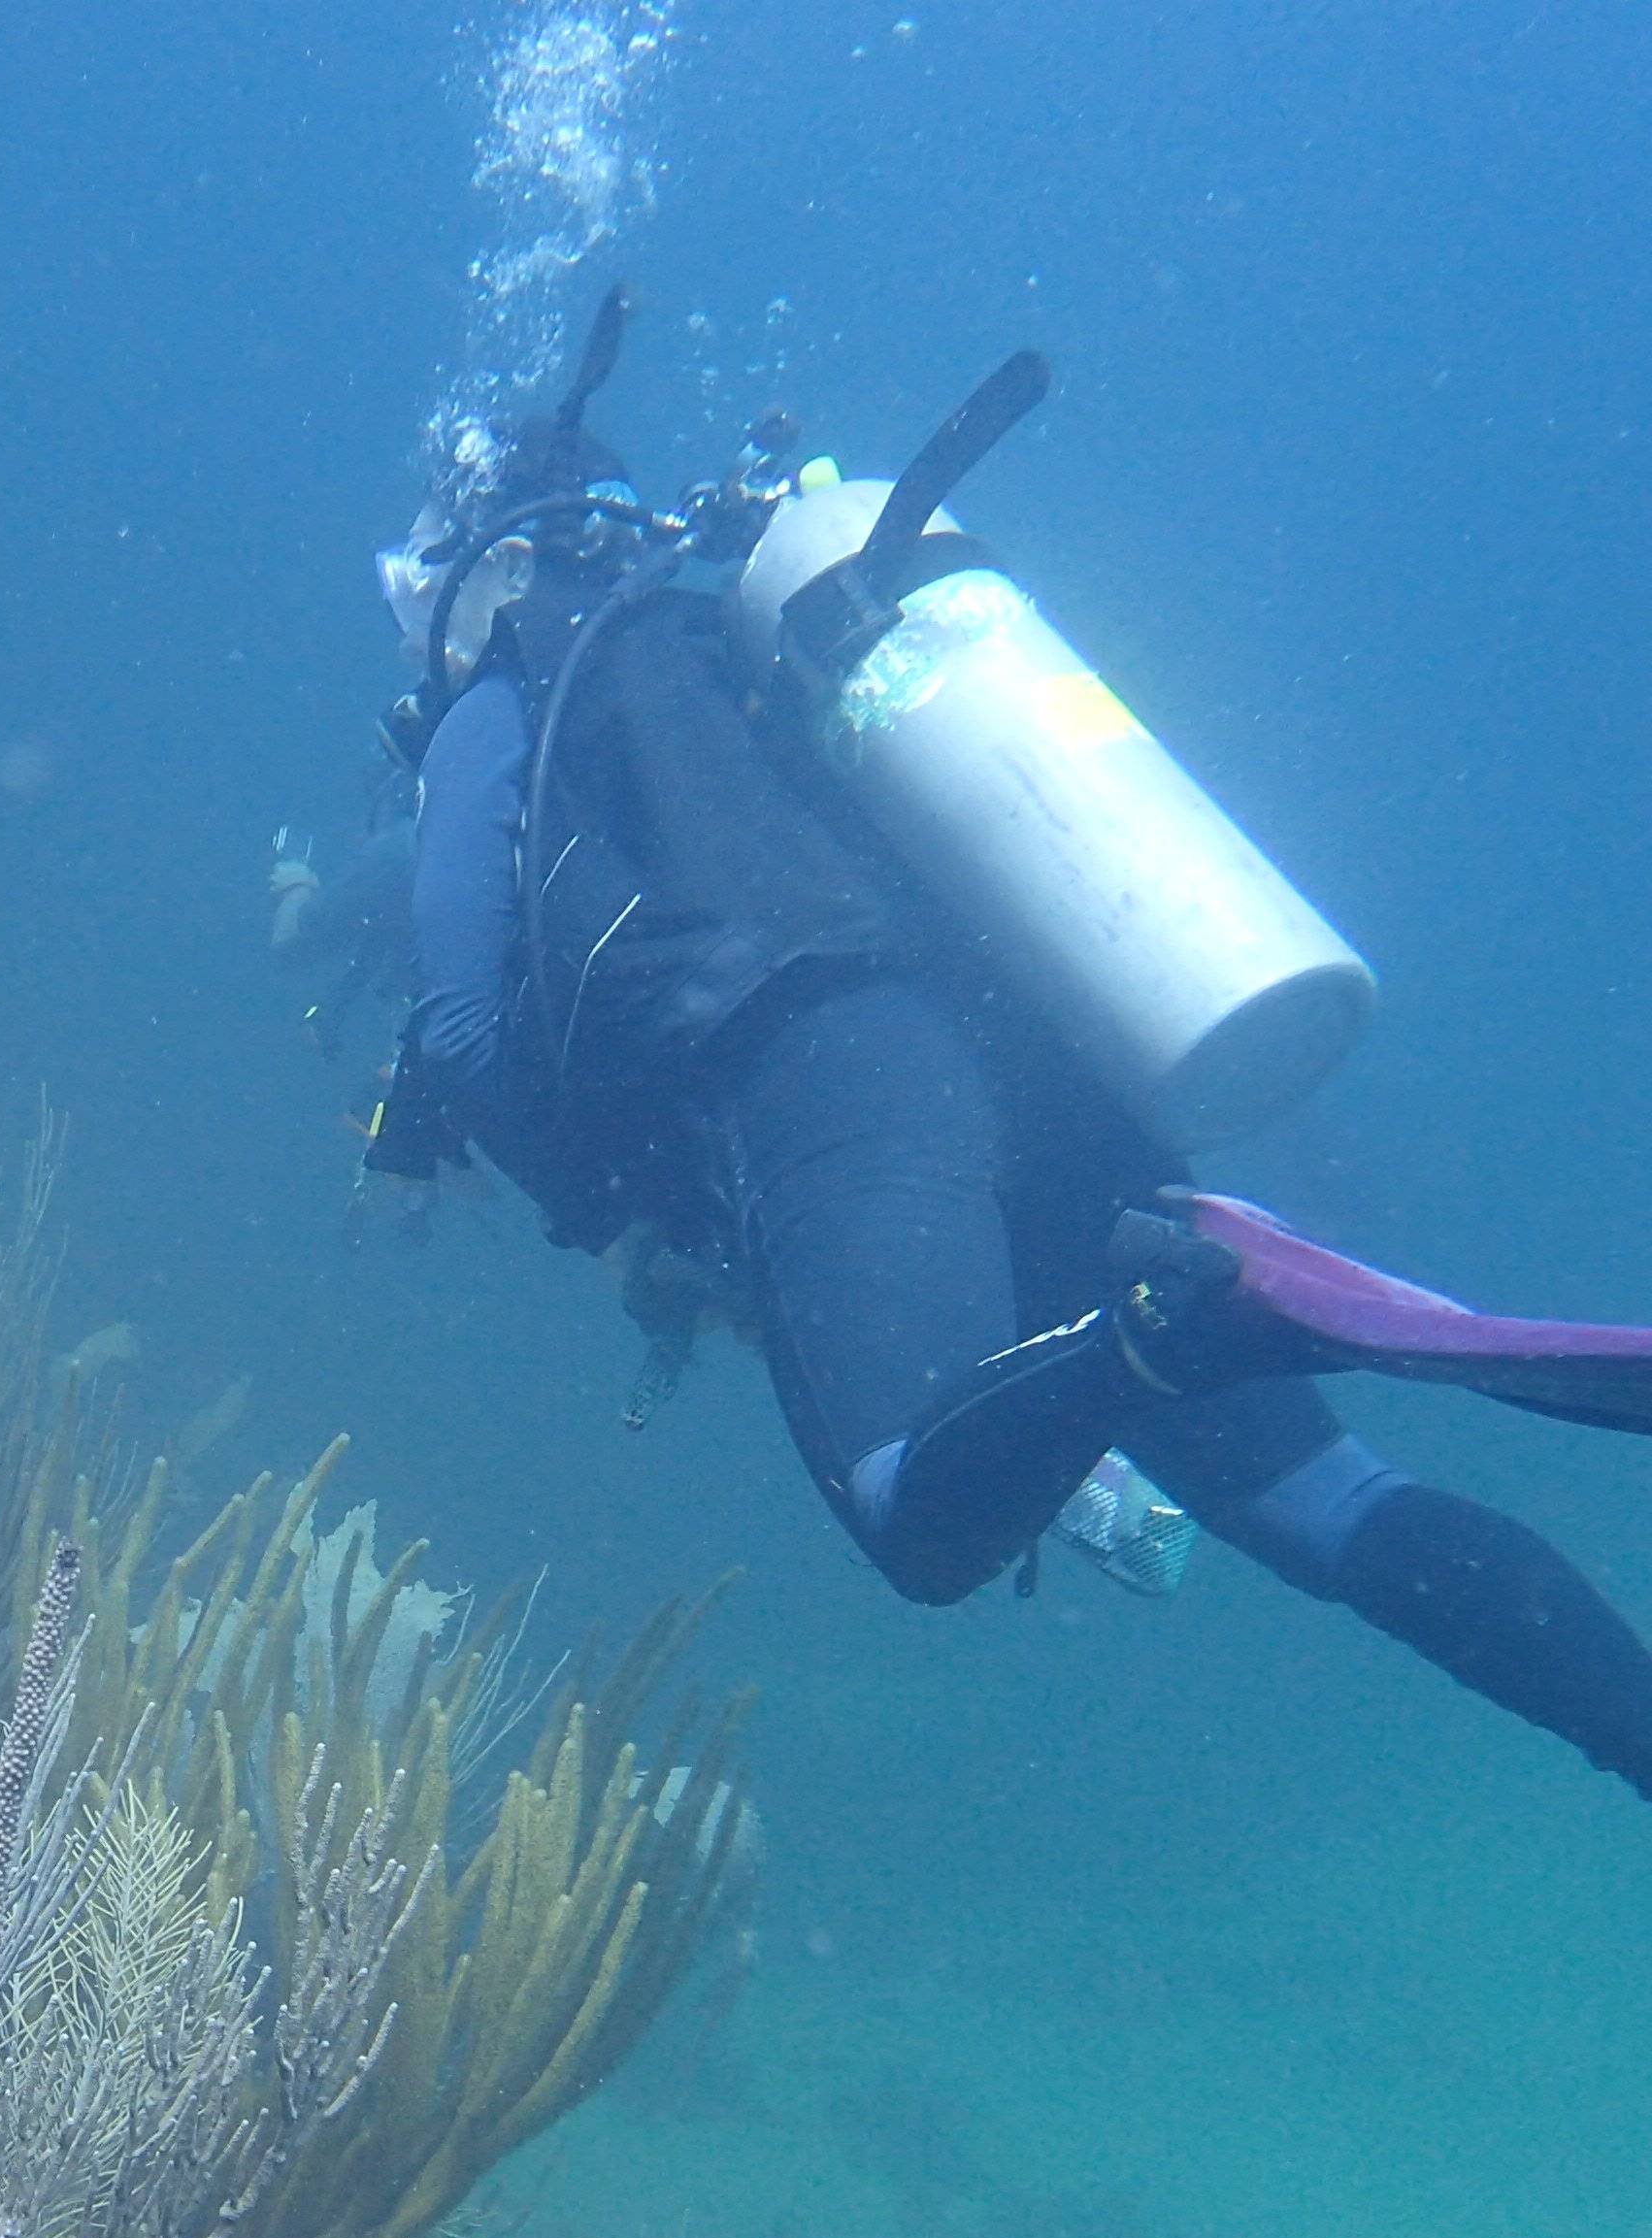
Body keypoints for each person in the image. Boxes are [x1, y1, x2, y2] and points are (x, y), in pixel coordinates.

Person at [321, 313, 1652, 1802]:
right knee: (1331, 1505)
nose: (415, 624)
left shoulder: (510, 691)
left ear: (496, 559)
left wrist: (615, 1216)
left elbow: (463, 1026)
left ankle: (1170, 1328)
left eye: (418, 585)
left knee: (917, 1514)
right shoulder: (755, 650)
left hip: (832, 1073)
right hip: (1043, 1051)